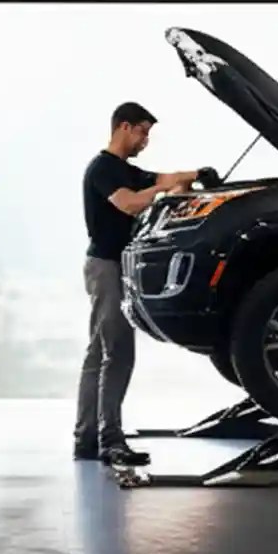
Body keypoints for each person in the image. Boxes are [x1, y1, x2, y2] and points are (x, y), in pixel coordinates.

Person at [76, 101, 201, 465]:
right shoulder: (103, 169)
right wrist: (163, 190)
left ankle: (86, 439)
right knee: (118, 352)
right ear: (124, 127)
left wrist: (194, 174)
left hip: (112, 266)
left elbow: (162, 178)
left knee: (98, 354)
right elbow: (130, 204)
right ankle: (110, 440)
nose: (146, 140)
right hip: (105, 267)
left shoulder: (125, 169)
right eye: (142, 131)